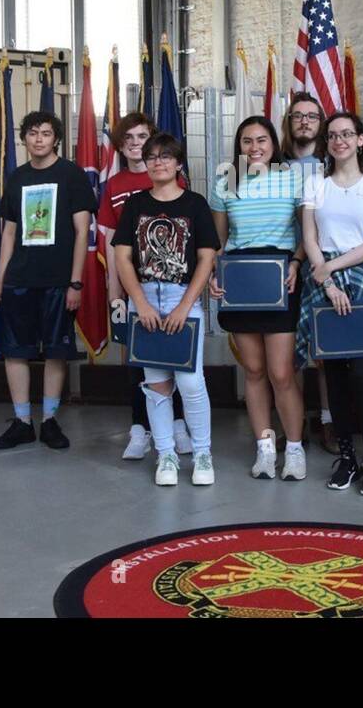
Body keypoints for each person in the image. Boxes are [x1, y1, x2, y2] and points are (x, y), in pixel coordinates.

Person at [297, 112, 363, 495]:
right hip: (324, 286)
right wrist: (325, 282)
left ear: (360, 140)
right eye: (333, 135)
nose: (339, 140)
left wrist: (330, 268)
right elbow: (310, 237)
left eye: (347, 134)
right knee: (334, 376)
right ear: (327, 143)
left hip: (361, 279)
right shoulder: (315, 186)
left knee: (361, 374)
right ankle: (347, 457)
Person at [113, 132, 219, 486]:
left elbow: (207, 257)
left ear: (178, 163)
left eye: (166, 156)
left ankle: (202, 453)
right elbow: (122, 257)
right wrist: (139, 303)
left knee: (190, 382)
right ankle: (166, 454)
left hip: (180, 300)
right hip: (143, 301)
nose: (158, 162)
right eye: (152, 156)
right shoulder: (136, 204)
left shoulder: (195, 204)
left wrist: (185, 306)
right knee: (155, 384)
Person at [0, 111, 96, 451]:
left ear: (56, 139)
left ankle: (49, 420)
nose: (39, 139)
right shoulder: (17, 177)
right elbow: (9, 232)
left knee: (55, 351)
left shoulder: (72, 175)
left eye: (46, 133)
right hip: (19, 279)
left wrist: (75, 282)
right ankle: (22, 422)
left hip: (57, 280)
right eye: (33, 133)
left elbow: (83, 232)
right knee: (15, 351)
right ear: (24, 137)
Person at [209, 115, 307, 480]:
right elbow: (218, 243)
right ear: (239, 145)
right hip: (240, 280)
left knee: (281, 372)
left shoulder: (291, 178)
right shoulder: (225, 182)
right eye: (247, 141)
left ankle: (294, 449)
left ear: (273, 143)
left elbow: (307, 230)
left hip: (281, 278)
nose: (255, 148)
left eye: (262, 140)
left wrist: (297, 262)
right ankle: (265, 449)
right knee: (253, 371)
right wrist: (213, 276)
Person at [97, 112, 192, 460]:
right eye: (130, 139)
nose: (137, 144)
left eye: (143, 137)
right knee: (137, 360)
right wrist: (114, 293)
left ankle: (179, 424)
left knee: (175, 356)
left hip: (170, 285)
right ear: (122, 146)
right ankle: (139, 428)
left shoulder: (172, 181)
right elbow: (111, 244)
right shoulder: (114, 185)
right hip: (132, 288)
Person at [282, 92, 338, 455]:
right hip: (279, 272)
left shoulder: (333, 167)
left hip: (320, 267)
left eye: (312, 117)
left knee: (326, 349)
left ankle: (330, 419)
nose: (304, 121)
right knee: (288, 351)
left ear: (321, 124)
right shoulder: (272, 166)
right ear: (289, 122)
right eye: (298, 115)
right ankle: (293, 420)